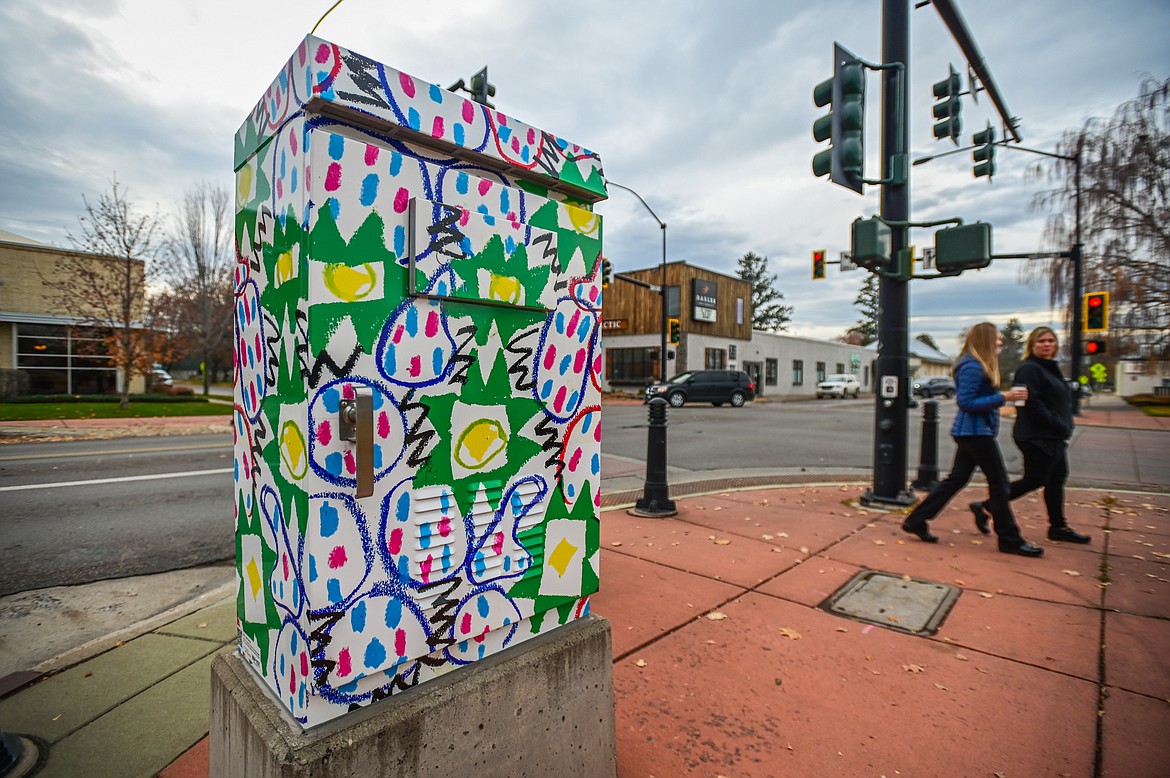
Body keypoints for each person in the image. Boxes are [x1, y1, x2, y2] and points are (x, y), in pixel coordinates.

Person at [902, 322, 1043, 557]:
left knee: (956, 479)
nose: (1000, 342)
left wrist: (1001, 399)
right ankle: (1009, 538)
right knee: (999, 483)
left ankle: (916, 519)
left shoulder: (975, 364)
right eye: (997, 338)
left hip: (973, 432)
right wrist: (1004, 397)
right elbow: (965, 402)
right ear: (985, 339)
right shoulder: (973, 366)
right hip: (975, 433)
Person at [969, 327, 1091, 544]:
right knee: (1035, 479)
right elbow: (1028, 403)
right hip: (1036, 435)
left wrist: (1063, 424)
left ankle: (1058, 527)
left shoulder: (1051, 368)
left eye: (1051, 340)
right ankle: (986, 506)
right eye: (1041, 341)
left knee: (1056, 479)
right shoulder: (1029, 369)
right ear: (1032, 345)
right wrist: (1055, 422)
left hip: (1054, 435)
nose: (1047, 344)